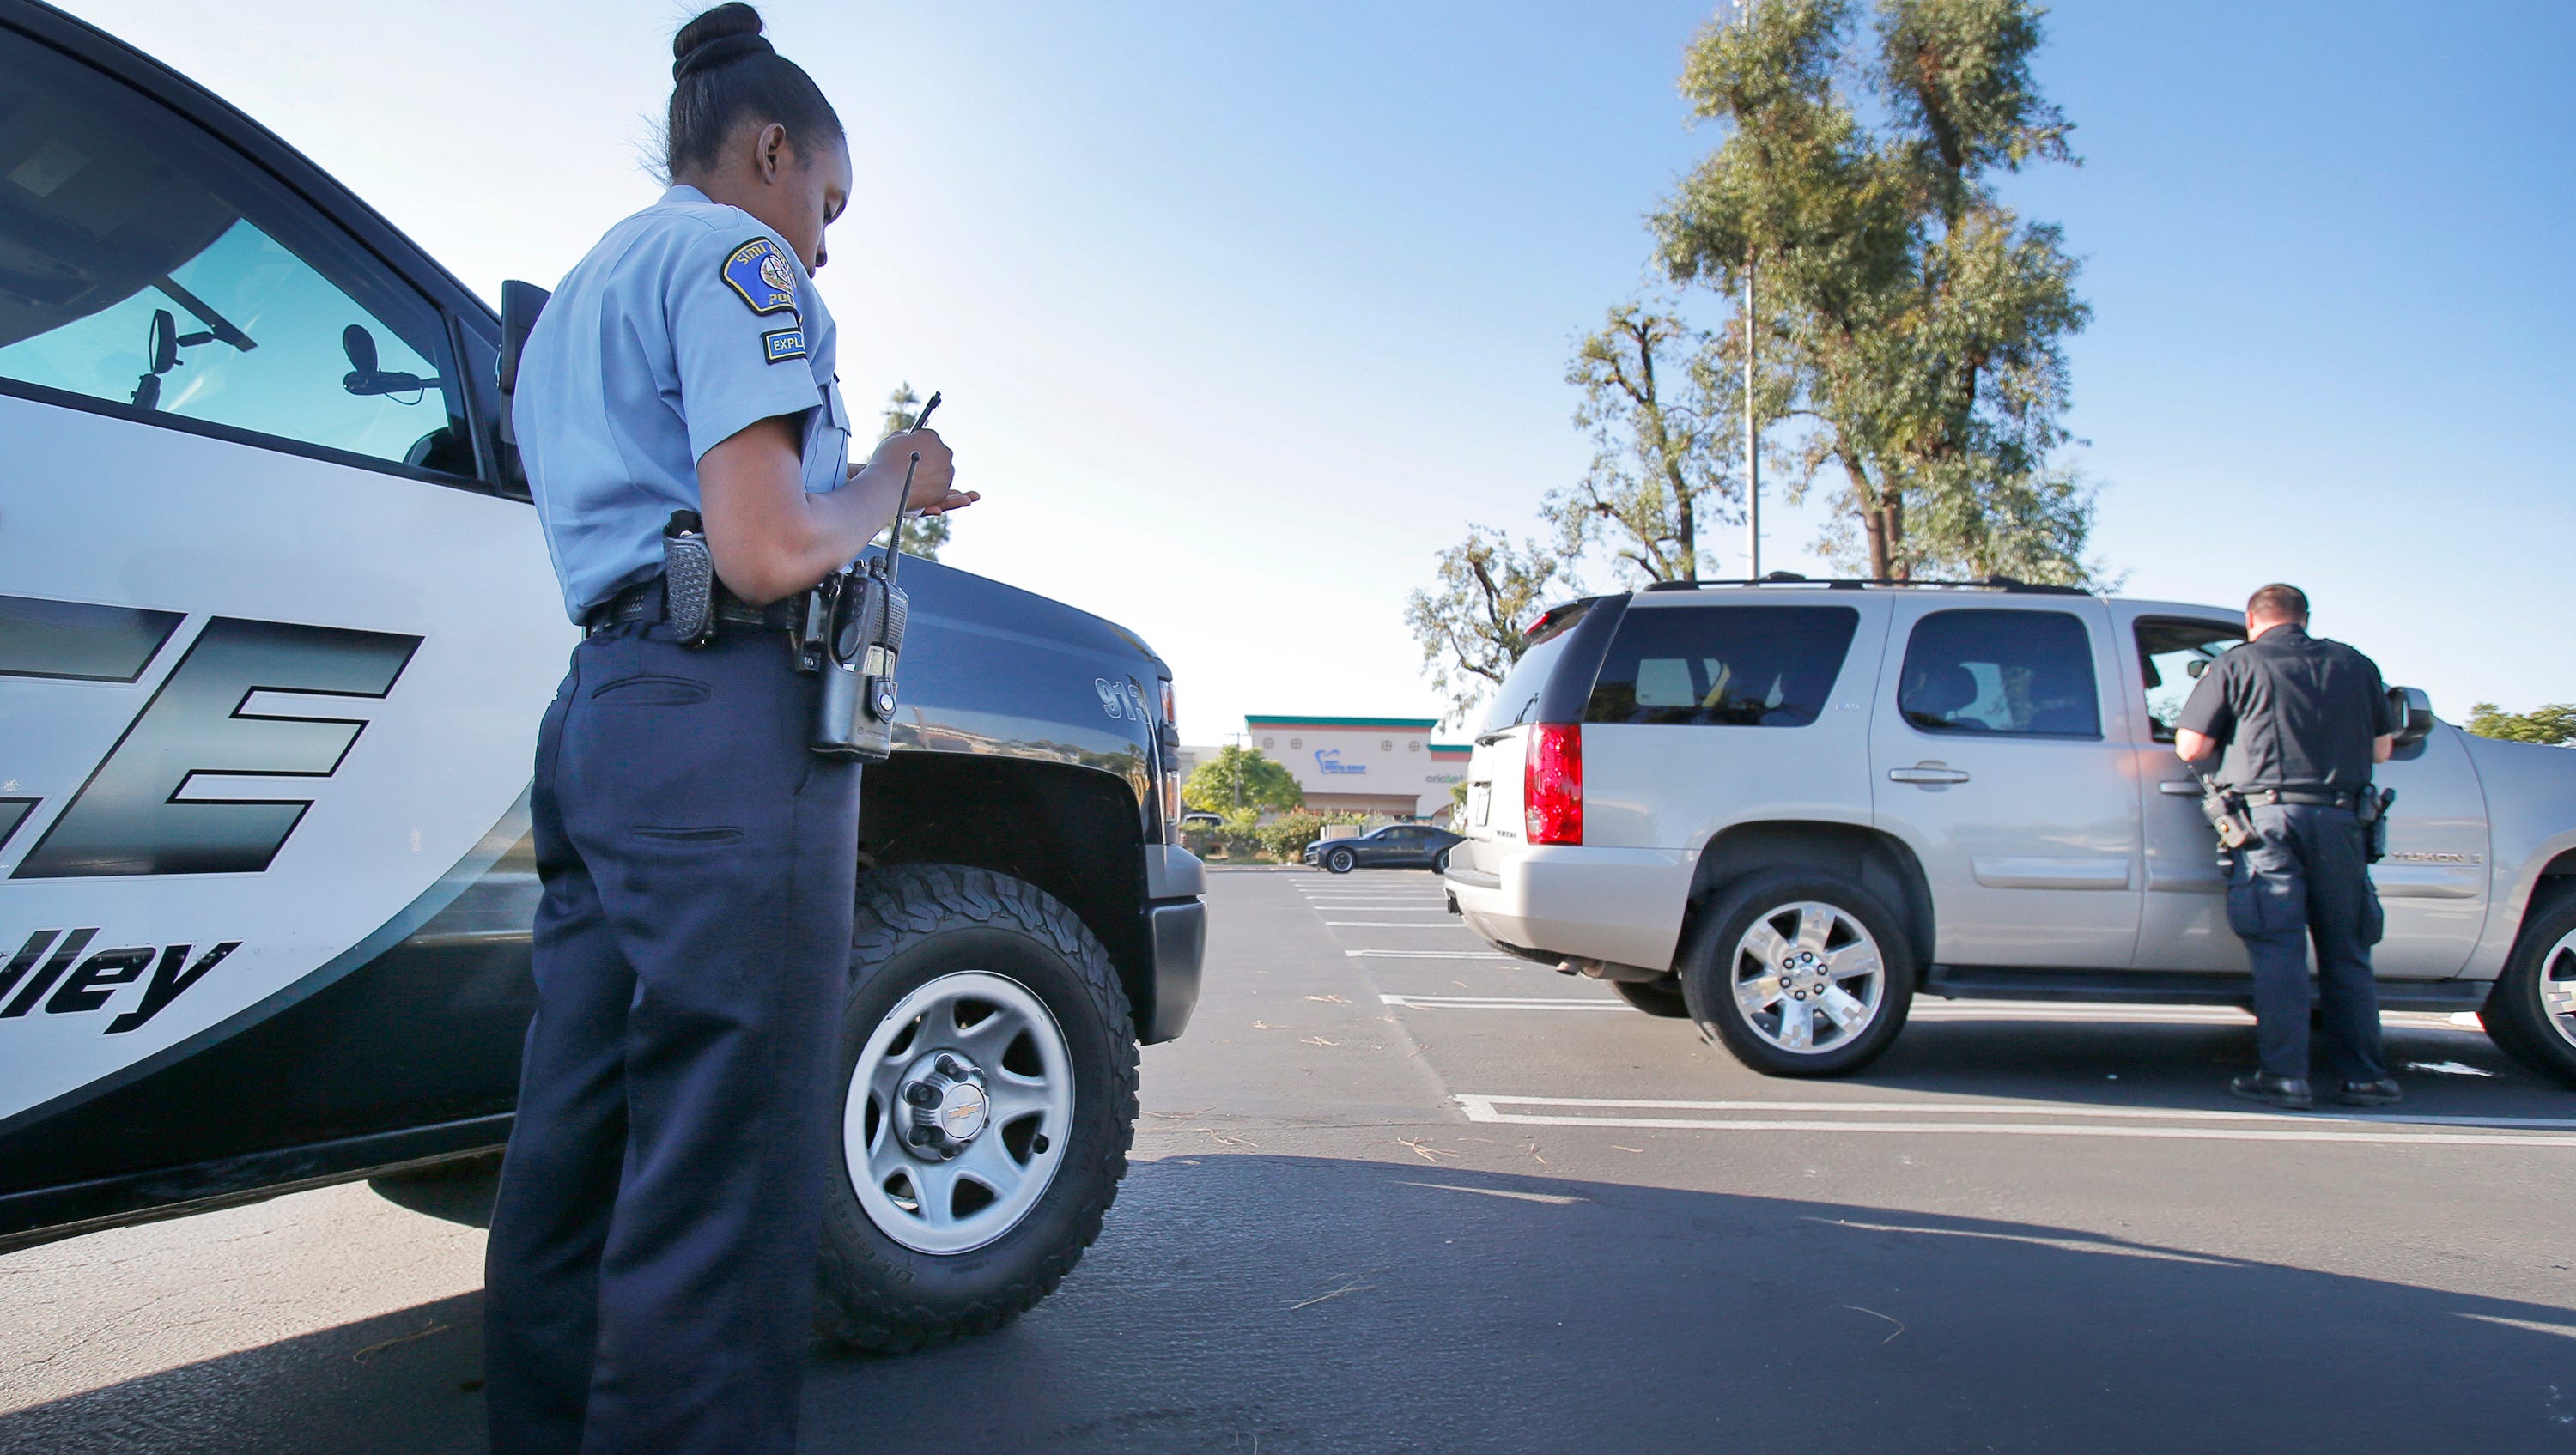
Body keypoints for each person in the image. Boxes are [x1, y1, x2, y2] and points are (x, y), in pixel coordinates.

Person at [482, 7, 975, 1452]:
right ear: (771, 153)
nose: (821, 248)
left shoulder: (580, 289)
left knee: (574, 1148)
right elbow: (764, 547)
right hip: (720, 726)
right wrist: (890, 474)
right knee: (728, 1169)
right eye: (827, 204)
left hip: (606, 715)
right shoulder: (736, 258)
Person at [2174, 584, 2398, 1112]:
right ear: (2304, 617)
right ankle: (2364, 1079)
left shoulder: (2237, 664)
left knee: (2280, 949)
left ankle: (2285, 1079)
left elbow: (2191, 747)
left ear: (2253, 619)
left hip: (2266, 822)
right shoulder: (2356, 664)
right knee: (2348, 952)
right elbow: (2383, 750)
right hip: (2343, 821)